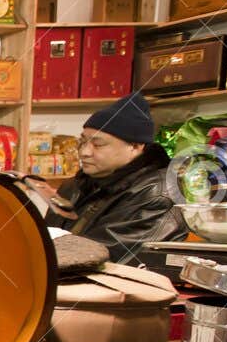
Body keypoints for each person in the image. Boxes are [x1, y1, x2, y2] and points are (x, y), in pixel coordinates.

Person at [62, 92, 186, 265]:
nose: (84, 152)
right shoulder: (76, 185)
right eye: (82, 142)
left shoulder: (158, 196)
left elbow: (105, 257)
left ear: (135, 146)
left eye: (97, 144)